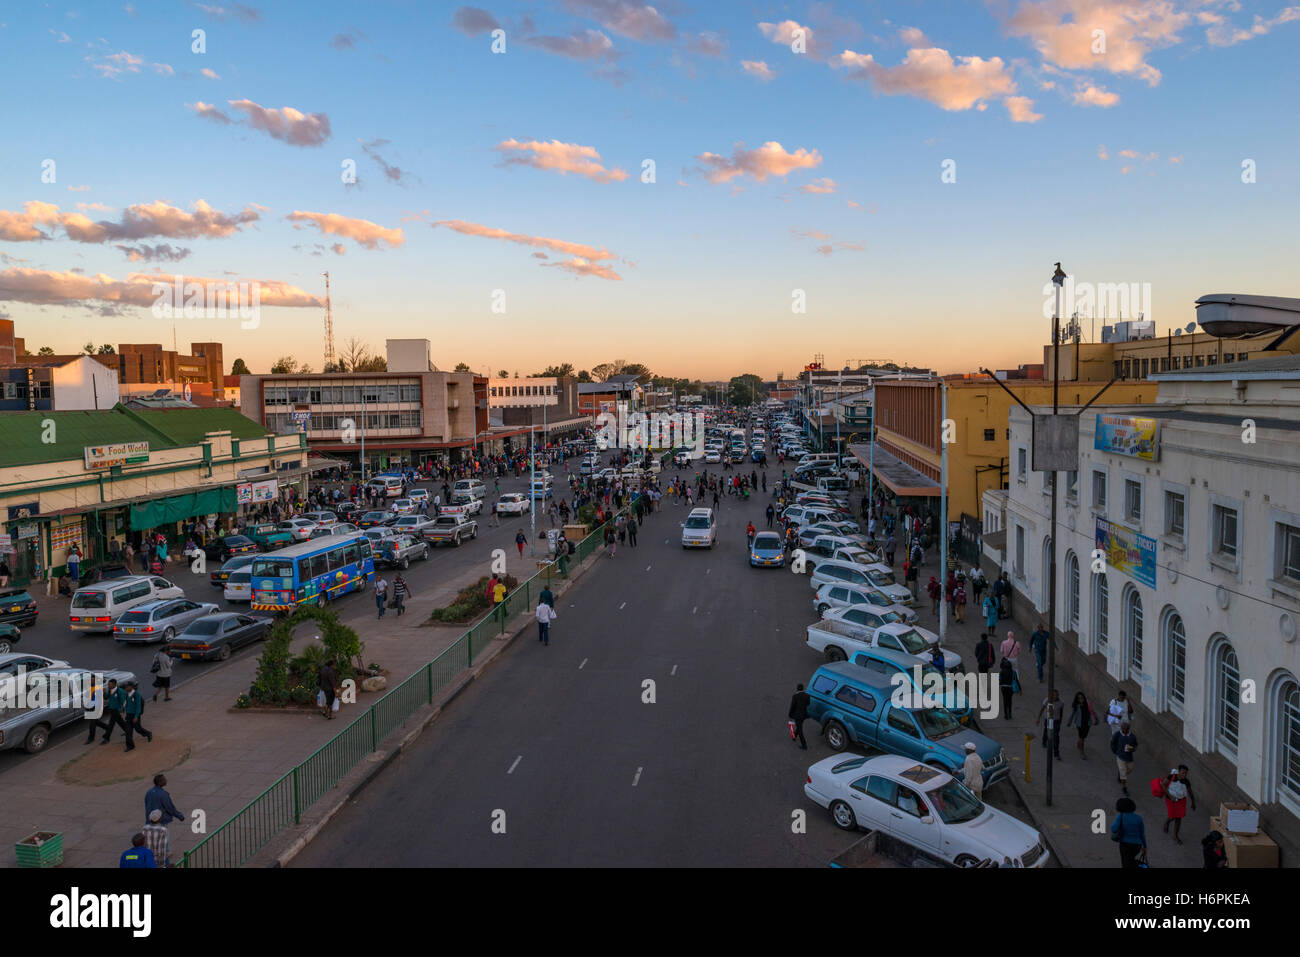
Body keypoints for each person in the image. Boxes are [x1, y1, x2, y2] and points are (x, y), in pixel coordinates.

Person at [1160, 765, 1196, 844]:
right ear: (1179, 771)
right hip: (1170, 800)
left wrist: (1193, 802)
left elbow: (1190, 792)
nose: (1184, 775)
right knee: (1172, 816)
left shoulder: (1186, 781)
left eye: (1186, 773)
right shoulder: (1171, 777)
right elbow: (1163, 785)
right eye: (1183, 773)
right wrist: (1170, 796)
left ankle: (1175, 836)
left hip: (1181, 801)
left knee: (1178, 818)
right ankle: (1167, 822)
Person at [1110, 797, 1147, 869]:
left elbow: (1113, 829)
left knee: (1125, 863)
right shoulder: (1139, 818)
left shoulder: (1120, 817)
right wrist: (1145, 846)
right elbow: (1142, 834)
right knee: (1130, 860)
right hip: (1137, 845)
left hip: (1125, 844)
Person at [1067, 690, 1097, 758]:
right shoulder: (1076, 706)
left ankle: (1079, 743)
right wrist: (1069, 722)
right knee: (1082, 738)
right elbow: (1072, 714)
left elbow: (1092, 712)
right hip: (1079, 724)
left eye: (1082, 698)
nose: (1081, 699)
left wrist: (1096, 719)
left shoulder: (1087, 704)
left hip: (1087, 723)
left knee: (1083, 737)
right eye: (1079, 698)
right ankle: (1082, 752)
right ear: (1077, 699)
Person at [1112, 720, 1139, 794]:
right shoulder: (1117, 734)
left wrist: (1132, 749)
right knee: (1123, 774)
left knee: (1130, 769)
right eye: (1122, 728)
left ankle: (1120, 774)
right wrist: (1115, 751)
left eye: (1124, 729)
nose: (1123, 730)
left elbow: (1135, 745)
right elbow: (1113, 743)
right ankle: (1124, 787)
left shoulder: (1132, 737)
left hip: (1129, 757)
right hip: (1120, 756)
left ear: (1128, 729)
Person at [1036, 688, 1063, 760]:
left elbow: (1061, 712)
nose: (1055, 697)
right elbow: (1042, 709)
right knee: (1046, 731)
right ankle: (1044, 741)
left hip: (1056, 721)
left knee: (1056, 736)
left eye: (1056, 695)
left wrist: (1060, 720)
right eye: (1054, 695)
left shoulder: (1061, 702)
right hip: (1048, 719)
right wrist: (1038, 718)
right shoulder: (1047, 700)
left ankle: (1056, 753)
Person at [788, 683, 810, 750]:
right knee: (799, 726)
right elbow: (808, 704)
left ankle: (804, 745)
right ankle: (794, 735)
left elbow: (792, 706)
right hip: (803, 715)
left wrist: (790, 714)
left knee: (800, 730)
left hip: (797, 715)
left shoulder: (795, 696)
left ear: (797, 689)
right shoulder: (807, 695)